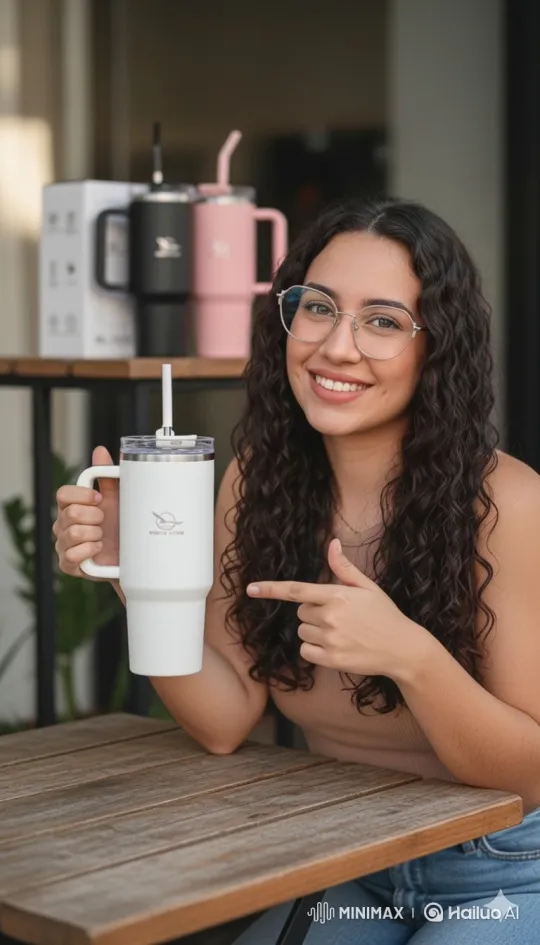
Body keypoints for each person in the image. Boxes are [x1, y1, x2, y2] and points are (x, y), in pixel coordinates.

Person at [53, 197, 540, 944]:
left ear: (435, 347)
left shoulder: (508, 503)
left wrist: (410, 655)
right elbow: (223, 720)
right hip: (347, 857)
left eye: (382, 321)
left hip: (502, 869)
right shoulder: (259, 482)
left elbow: (529, 772)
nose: (337, 347)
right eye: (318, 307)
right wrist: (137, 571)